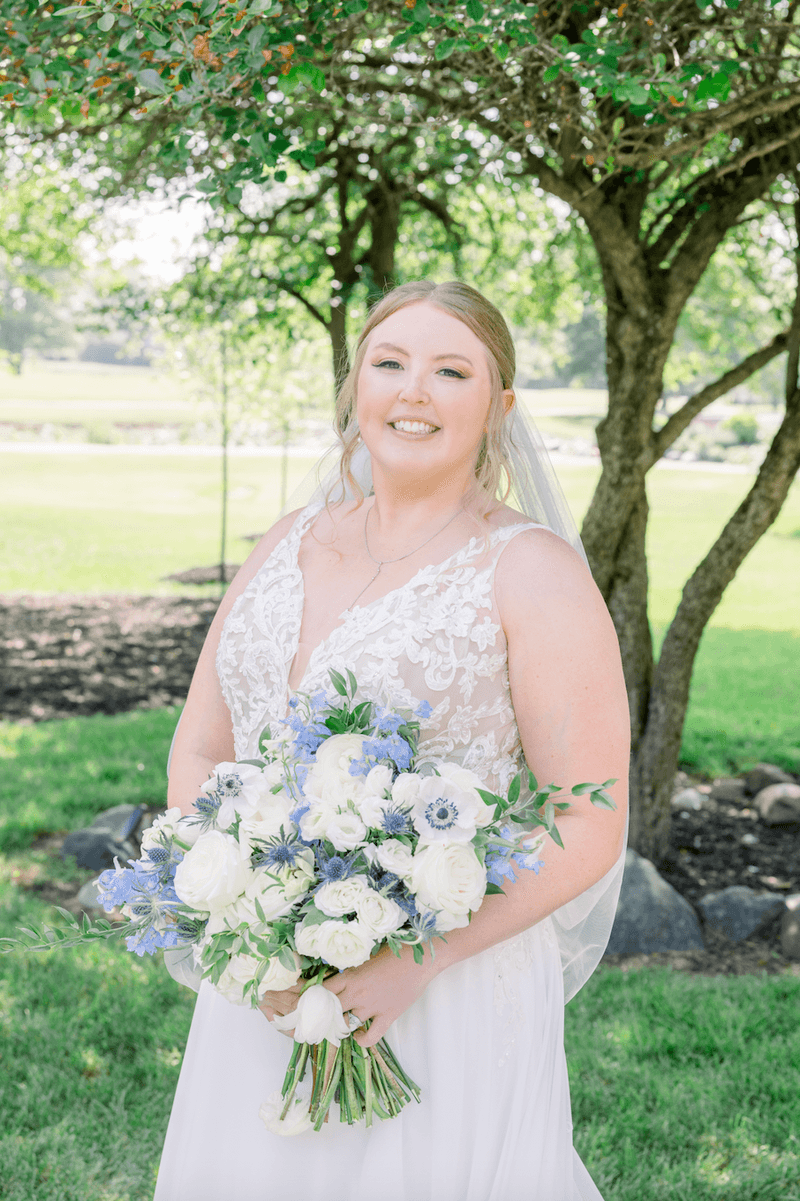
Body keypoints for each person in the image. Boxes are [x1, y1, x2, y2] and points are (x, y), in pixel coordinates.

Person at [155, 280, 629, 1201]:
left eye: (451, 370)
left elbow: (589, 818)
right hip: (267, 984)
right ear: (355, 388)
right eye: (390, 363)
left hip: (437, 991)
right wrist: (251, 921)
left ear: (499, 409)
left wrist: (419, 957)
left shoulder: (530, 572)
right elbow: (200, 749)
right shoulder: (284, 542)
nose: (414, 391)